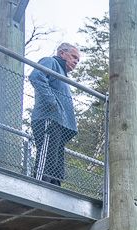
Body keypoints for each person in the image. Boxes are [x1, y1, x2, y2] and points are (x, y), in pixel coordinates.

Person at [30, 43, 80, 186]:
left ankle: (55, 188)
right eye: (74, 57)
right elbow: (36, 76)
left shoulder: (63, 75)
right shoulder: (50, 61)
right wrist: (53, 103)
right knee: (47, 157)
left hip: (60, 123)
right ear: (62, 53)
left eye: (78, 60)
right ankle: (39, 187)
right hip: (48, 118)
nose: (76, 62)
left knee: (56, 162)